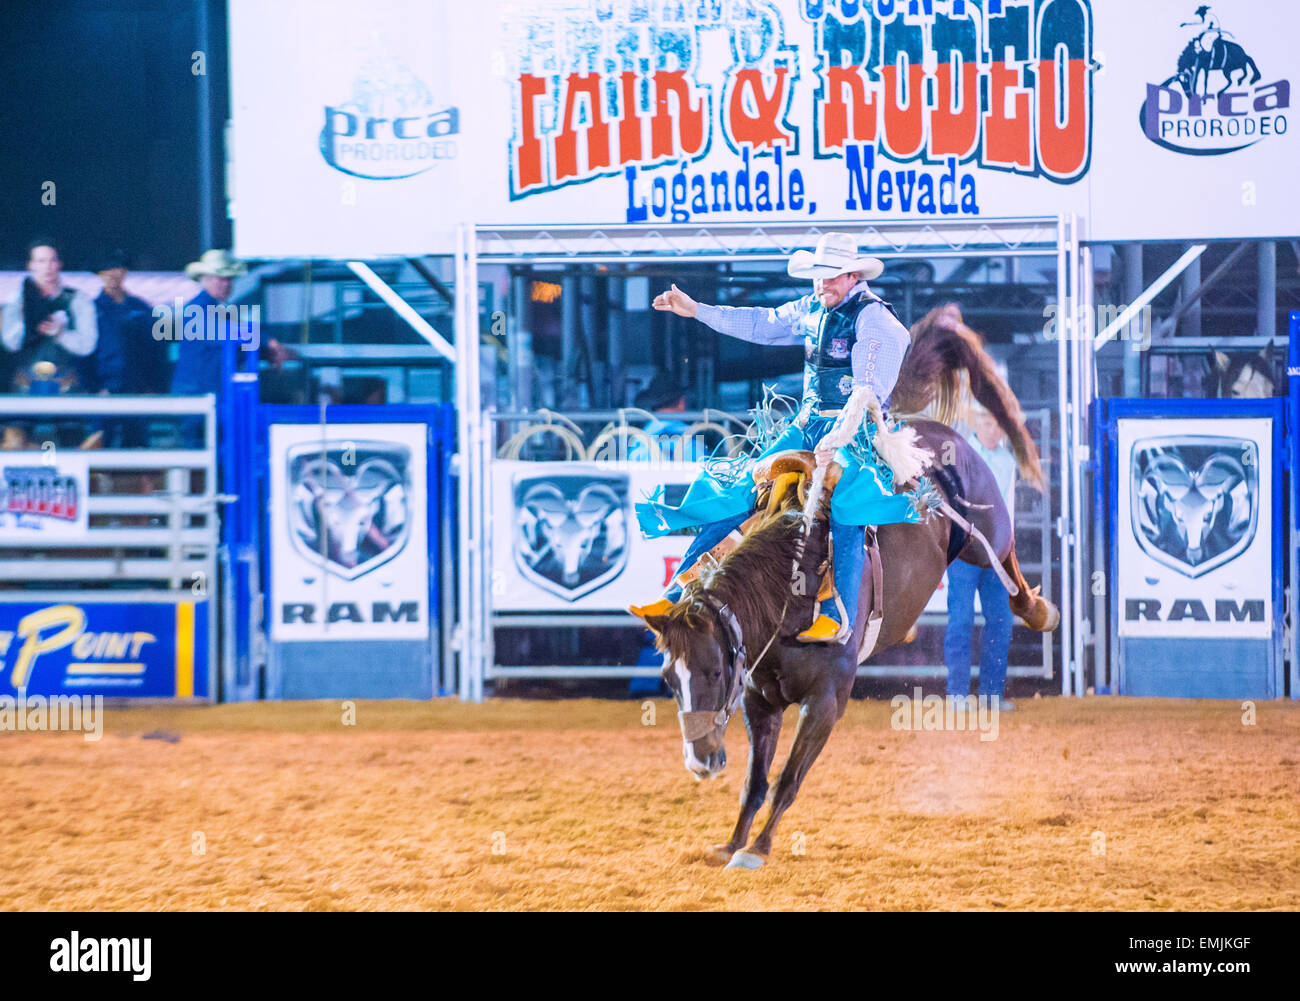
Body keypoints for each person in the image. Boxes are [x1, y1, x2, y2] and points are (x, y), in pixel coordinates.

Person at [631, 232, 920, 645]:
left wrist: (841, 433)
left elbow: (868, 388)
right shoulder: (815, 308)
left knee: (846, 504)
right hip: (807, 423)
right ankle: (679, 589)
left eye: (831, 276)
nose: (821, 284)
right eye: (818, 277)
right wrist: (697, 310)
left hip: (856, 430)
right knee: (738, 490)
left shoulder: (874, 319)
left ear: (853, 276)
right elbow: (764, 323)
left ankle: (839, 617)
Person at [944, 404, 1018, 710]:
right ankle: (958, 694)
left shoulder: (1006, 460)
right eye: (988, 423)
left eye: (997, 423)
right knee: (961, 620)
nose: (994, 429)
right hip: (966, 548)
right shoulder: (963, 456)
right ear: (979, 424)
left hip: (995, 551)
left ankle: (990, 695)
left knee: (1000, 620)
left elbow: (1007, 506)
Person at [0, 239, 98, 394]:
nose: (47, 267)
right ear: (30, 265)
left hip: (67, 387)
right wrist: (29, 323)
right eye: (41, 261)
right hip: (24, 387)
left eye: (52, 260)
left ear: (59, 264)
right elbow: (11, 343)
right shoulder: (16, 300)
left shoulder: (78, 299)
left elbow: (88, 346)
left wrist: (61, 334)